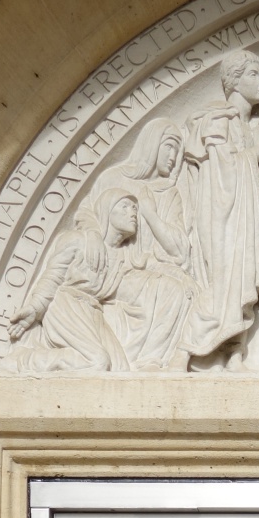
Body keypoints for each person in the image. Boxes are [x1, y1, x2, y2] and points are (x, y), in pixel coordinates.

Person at [181, 49, 259, 368]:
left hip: (244, 217)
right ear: (233, 81)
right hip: (222, 218)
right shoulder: (218, 119)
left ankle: (234, 351)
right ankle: (189, 348)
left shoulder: (253, 125)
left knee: (243, 278)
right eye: (253, 74)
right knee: (223, 284)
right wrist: (254, 154)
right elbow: (220, 175)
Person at [99, 120, 195, 370]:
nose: (173, 156)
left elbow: (179, 250)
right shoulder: (114, 179)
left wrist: (151, 215)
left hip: (149, 270)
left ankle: (150, 361)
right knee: (167, 291)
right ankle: (145, 361)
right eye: (168, 147)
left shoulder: (170, 194)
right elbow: (91, 225)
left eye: (178, 150)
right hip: (113, 269)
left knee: (183, 290)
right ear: (151, 145)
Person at [7, 192, 139, 372]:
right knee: (97, 362)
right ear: (106, 211)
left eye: (134, 209)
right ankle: (24, 360)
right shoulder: (78, 240)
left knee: (121, 371)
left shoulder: (122, 258)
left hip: (93, 312)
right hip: (64, 305)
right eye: (124, 206)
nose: (132, 213)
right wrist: (35, 308)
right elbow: (53, 276)